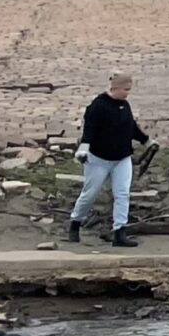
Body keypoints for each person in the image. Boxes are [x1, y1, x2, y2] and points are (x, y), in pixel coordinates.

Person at [68, 73, 154, 247]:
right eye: (125, 89)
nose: (127, 93)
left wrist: (147, 141)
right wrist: (84, 148)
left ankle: (119, 232)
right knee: (90, 193)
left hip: (122, 158)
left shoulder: (125, 105)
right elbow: (89, 128)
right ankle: (75, 223)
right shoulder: (98, 106)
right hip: (98, 159)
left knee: (122, 193)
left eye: (129, 90)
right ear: (114, 88)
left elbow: (131, 127)